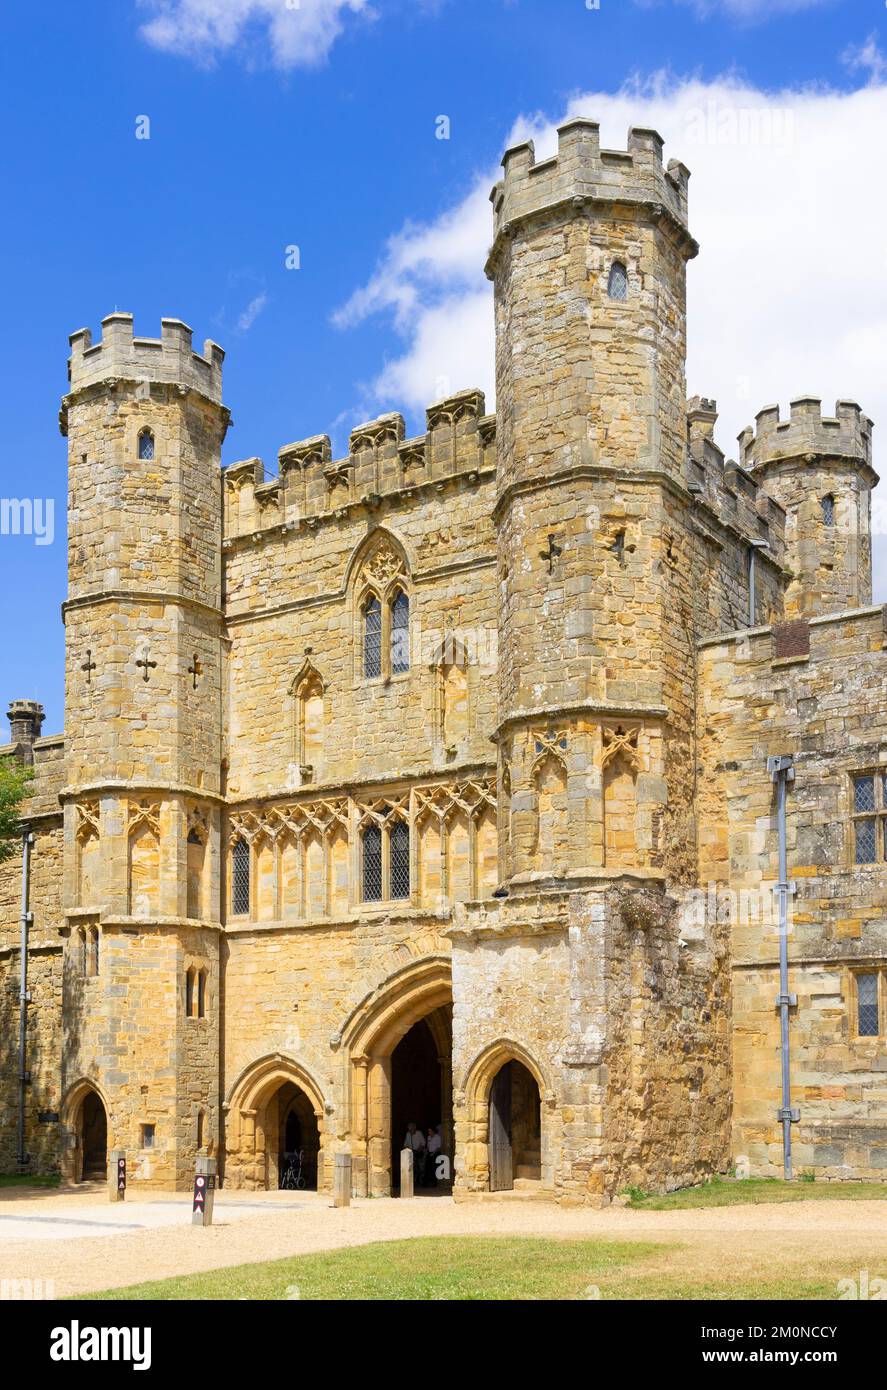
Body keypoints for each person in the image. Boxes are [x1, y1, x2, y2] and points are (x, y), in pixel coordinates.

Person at [402, 1121, 426, 1186]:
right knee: (412, 1168)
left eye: (412, 1127)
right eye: (409, 1128)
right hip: (411, 1153)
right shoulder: (408, 1134)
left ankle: (421, 1182)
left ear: (415, 1127)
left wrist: (418, 1150)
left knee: (421, 1168)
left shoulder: (419, 1133)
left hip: (419, 1153)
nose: (410, 1129)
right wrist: (409, 1150)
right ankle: (413, 1182)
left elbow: (423, 1143)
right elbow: (405, 1144)